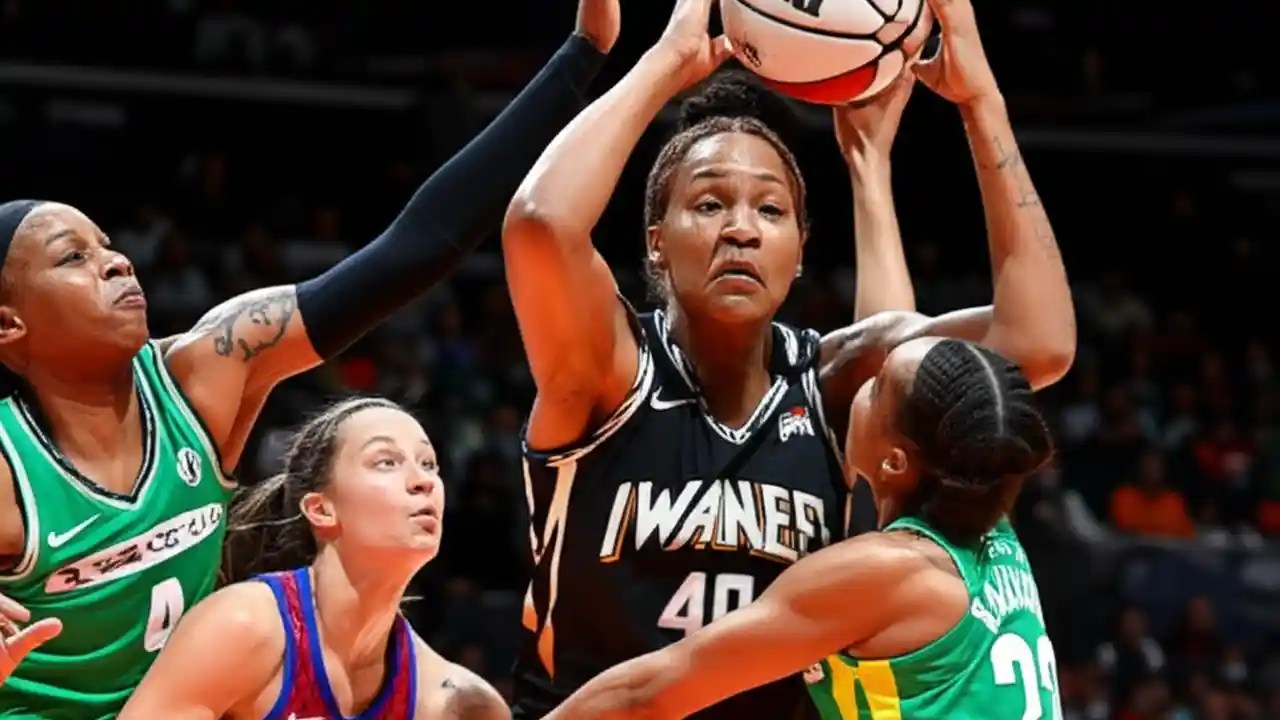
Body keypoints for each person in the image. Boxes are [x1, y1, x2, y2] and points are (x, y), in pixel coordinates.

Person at [0, 1, 620, 715]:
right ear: (9, 325)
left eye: (108, 246)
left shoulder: (207, 373)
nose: (116, 263)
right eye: (72, 258)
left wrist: (580, 57)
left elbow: (415, 250)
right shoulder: (11, 468)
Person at [500, 0, 1073, 716]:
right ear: (656, 240)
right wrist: (664, 63)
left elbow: (1039, 343)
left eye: (770, 211)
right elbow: (540, 225)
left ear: (800, 251)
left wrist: (980, 101)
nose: (741, 229)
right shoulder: (608, 370)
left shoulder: (832, 383)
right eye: (709, 205)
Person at [545, 337, 1061, 719]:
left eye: (878, 384)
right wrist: (873, 216)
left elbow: (646, 696)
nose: (862, 385)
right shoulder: (995, 531)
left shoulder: (886, 573)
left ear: (895, 462)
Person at [118, 397, 508, 720]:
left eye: (428, 463)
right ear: (321, 510)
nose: (424, 481)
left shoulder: (452, 702)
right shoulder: (242, 628)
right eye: (386, 462)